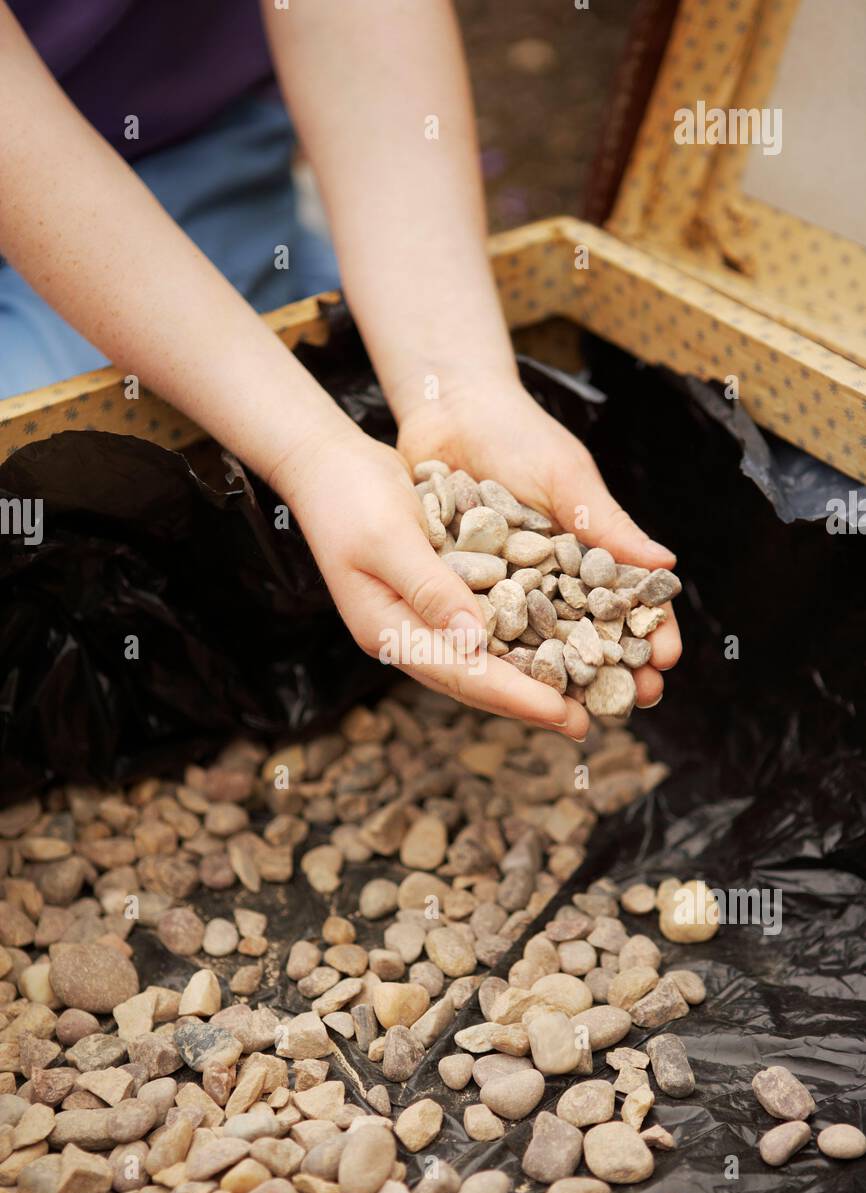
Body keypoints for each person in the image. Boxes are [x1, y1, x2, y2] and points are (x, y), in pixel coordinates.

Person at [0, 0, 680, 739]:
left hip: (186, 143)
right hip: (27, 162)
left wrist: (456, 382)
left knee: (301, 361)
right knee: (45, 497)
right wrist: (304, 450)